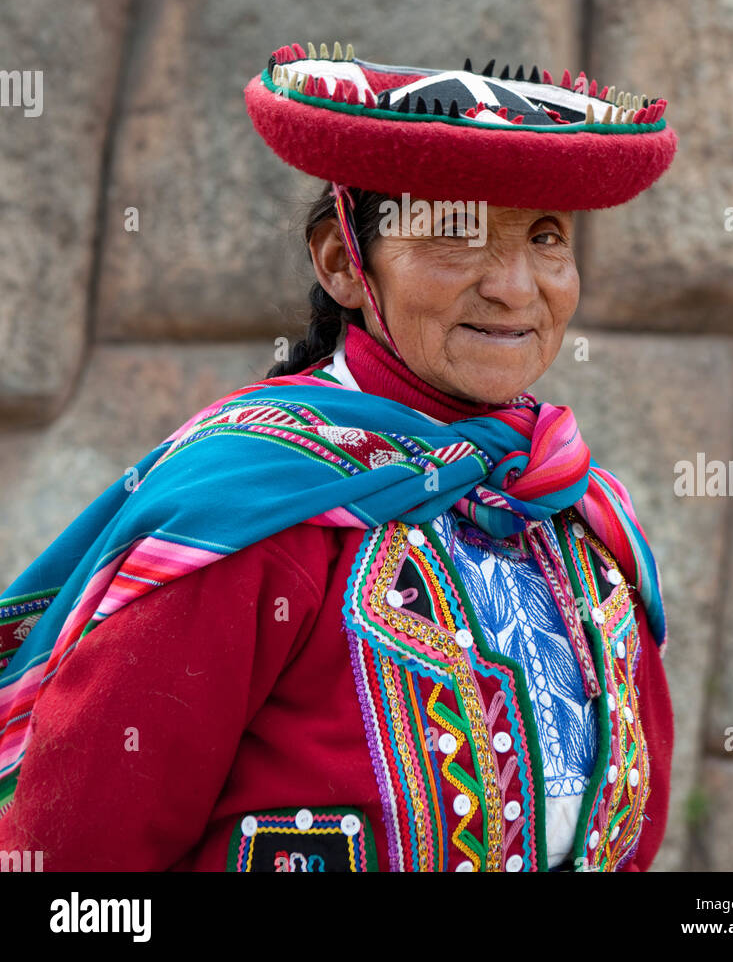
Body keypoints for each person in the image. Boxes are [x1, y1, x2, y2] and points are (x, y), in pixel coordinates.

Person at [0, 46, 677, 873]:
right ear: (341, 263)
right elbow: (74, 855)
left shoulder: (579, 517)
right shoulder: (253, 515)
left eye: (546, 237)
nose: (514, 285)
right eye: (456, 234)